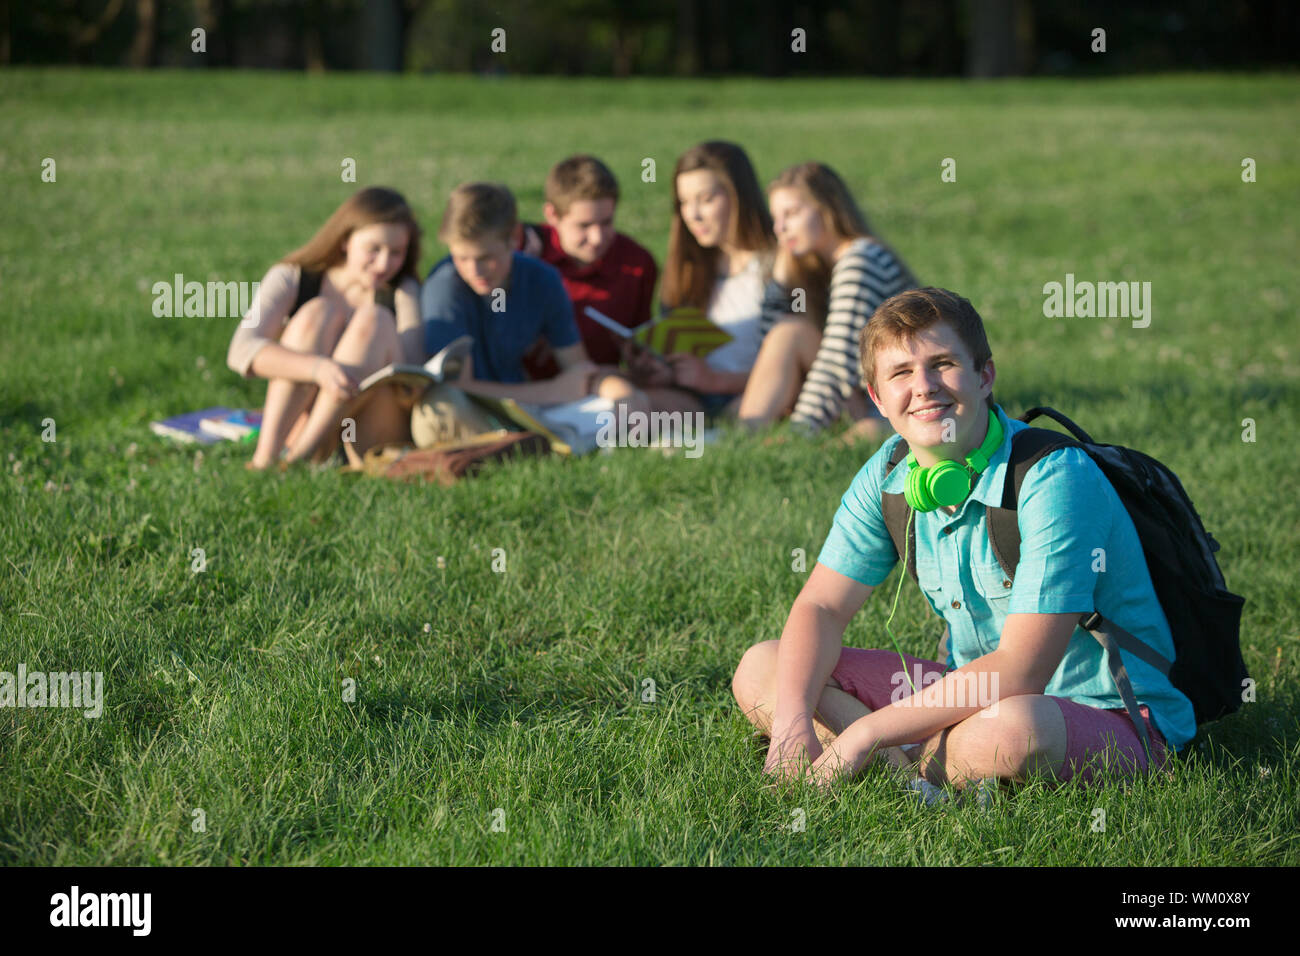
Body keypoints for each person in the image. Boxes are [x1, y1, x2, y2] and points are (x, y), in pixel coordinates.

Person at [731, 288, 1196, 792]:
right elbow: (821, 606)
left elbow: (1021, 671)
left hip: (1104, 715)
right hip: (969, 697)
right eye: (901, 373)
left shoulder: (1053, 478)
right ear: (877, 397)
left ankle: (883, 761)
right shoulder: (889, 472)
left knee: (1016, 730)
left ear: (984, 375)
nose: (924, 386)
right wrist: (791, 723)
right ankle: (915, 768)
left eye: (943, 363)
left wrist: (864, 731)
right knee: (764, 667)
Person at [227, 186, 423, 470]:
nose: (384, 263)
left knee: (374, 320)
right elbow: (241, 351)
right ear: (345, 240)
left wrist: (362, 368)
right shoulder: (293, 278)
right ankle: (266, 458)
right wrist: (318, 369)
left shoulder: (403, 292)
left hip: (369, 430)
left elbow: (413, 377)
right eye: (373, 249)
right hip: (302, 418)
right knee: (317, 313)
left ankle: (299, 458)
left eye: (396, 252)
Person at [421, 182, 639, 414]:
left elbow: (578, 370)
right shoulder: (445, 287)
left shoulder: (541, 280)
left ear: (513, 239)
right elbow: (455, 391)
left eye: (485, 257)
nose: (474, 270)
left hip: (525, 405)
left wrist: (623, 392)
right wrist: (550, 392)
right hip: (469, 414)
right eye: (461, 258)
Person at [738, 162, 917, 438]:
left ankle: (747, 433)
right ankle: (746, 431)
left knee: (791, 333)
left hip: (895, 392)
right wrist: (781, 282)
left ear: (827, 209)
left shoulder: (861, 259)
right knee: (785, 332)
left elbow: (838, 358)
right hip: (860, 390)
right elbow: (768, 350)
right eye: (776, 217)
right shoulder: (814, 266)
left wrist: (799, 432)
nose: (780, 227)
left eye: (792, 213)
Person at [629, 141, 774, 418]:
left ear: (739, 195)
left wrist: (713, 381)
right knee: (625, 403)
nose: (693, 215)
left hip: (756, 399)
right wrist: (665, 369)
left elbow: (795, 368)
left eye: (706, 200)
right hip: (694, 397)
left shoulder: (776, 266)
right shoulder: (688, 267)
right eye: (684, 202)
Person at [516, 155, 659, 413]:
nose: (597, 238)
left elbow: (637, 343)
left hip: (599, 389)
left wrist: (644, 360)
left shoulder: (637, 263)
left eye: (606, 223)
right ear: (552, 214)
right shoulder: (525, 254)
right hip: (523, 388)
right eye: (583, 226)